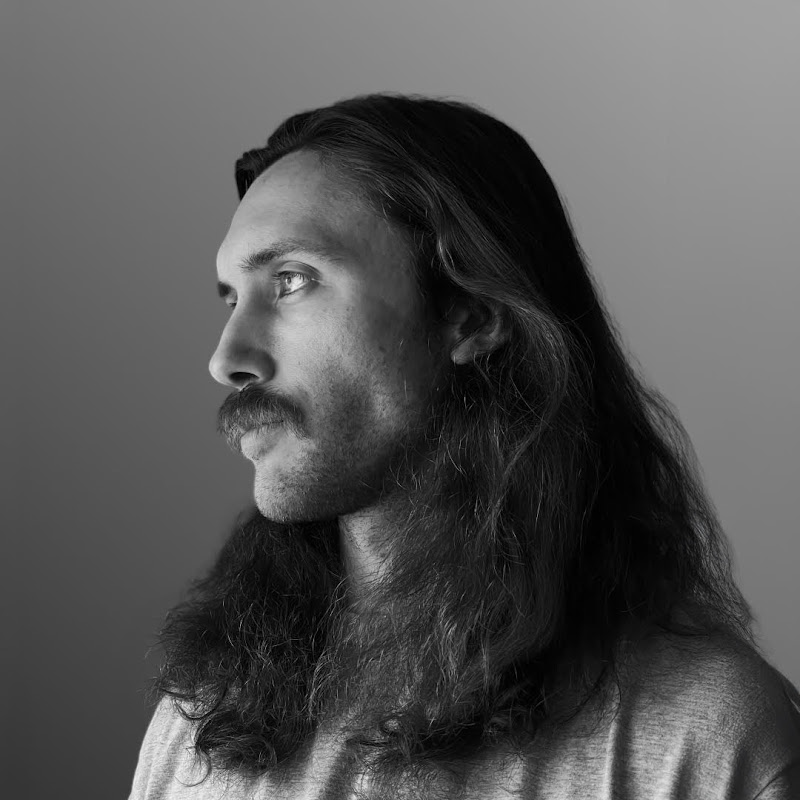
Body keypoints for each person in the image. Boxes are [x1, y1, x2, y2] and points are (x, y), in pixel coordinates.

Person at [128, 93, 800, 799]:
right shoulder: (204, 715)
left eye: (291, 281)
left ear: (471, 318)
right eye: (231, 298)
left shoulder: (703, 742)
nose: (227, 358)